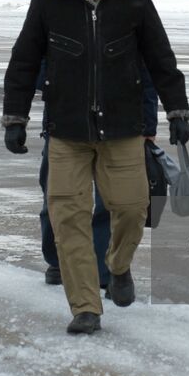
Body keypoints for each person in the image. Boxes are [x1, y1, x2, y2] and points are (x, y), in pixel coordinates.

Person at [2, 0, 189, 335]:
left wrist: (177, 110)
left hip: (122, 129)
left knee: (131, 208)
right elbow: (23, 62)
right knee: (67, 218)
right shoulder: (48, 0)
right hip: (67, 132)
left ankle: (118, 266)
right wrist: (15, 117)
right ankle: (85, 306)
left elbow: (161, 58)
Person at [37, 64, 159, 291]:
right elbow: (33, 64)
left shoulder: (129, 28)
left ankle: (106, 272)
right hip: (65, 124)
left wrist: (148, 125)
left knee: (111, 203)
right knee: (58, 200)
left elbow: (145, 72)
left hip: (117, 127)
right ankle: (58, 262)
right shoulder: (54, 27)